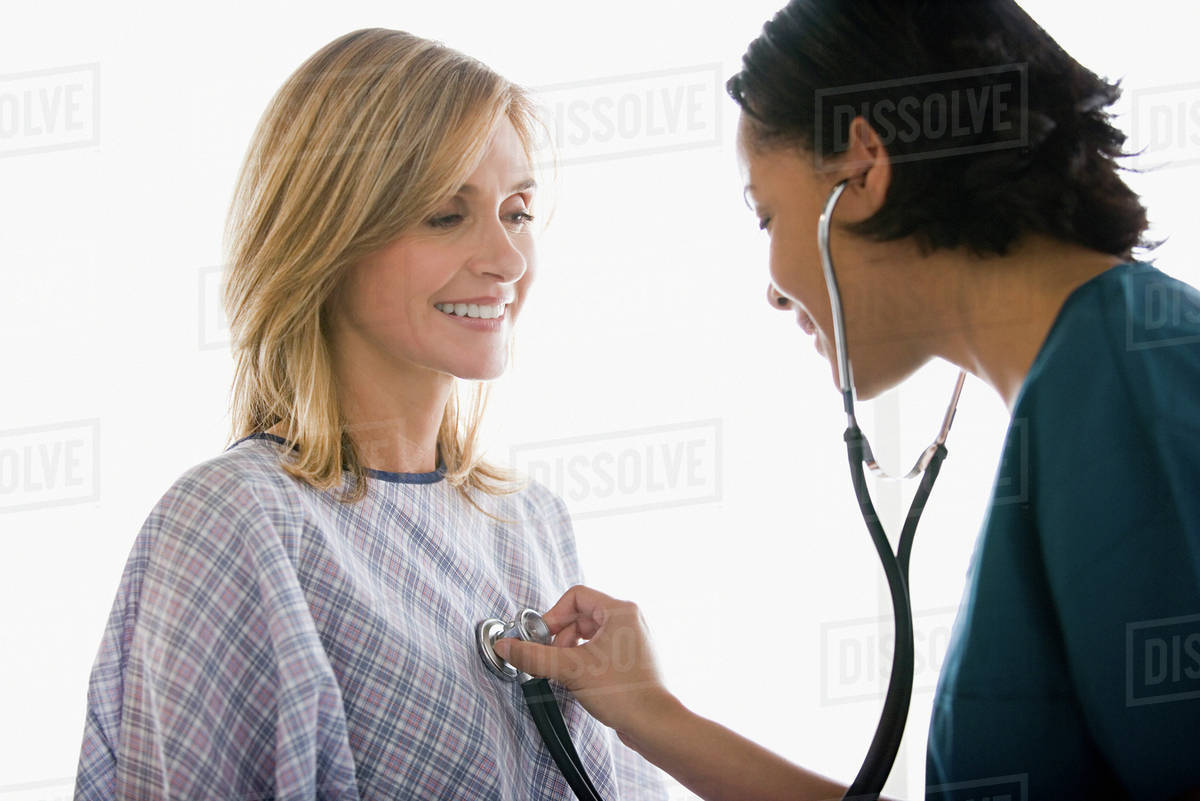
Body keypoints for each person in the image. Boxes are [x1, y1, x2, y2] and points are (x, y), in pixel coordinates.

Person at [494, 1, 1200, 800]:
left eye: (768, 215)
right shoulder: (1096, 376)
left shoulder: (1127, 378)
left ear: (862, 170)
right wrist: (655, 715)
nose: (770, 285)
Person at [71, 28, 667, 801]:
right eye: (447, 215)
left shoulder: (532, 524)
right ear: (329, 236)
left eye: (517, 211)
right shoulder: (234, 522)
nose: (508, 260)